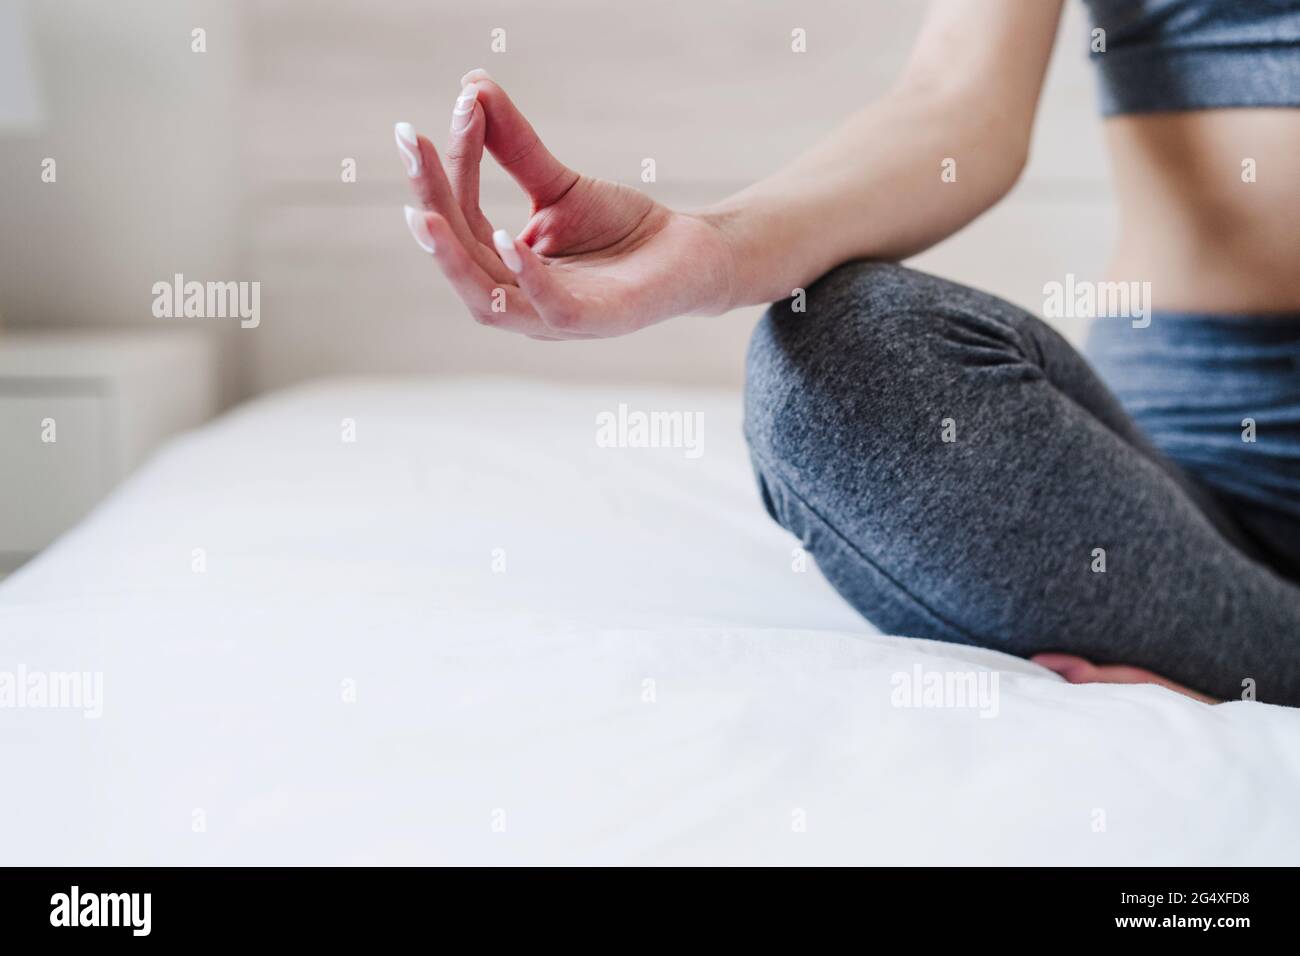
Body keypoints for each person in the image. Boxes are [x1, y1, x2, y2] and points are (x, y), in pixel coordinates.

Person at [393, 0, 1300, 705]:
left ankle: (1262, 666)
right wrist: (713, 248)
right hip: (1184, 506)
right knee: (845, 361)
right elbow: (956, 102)